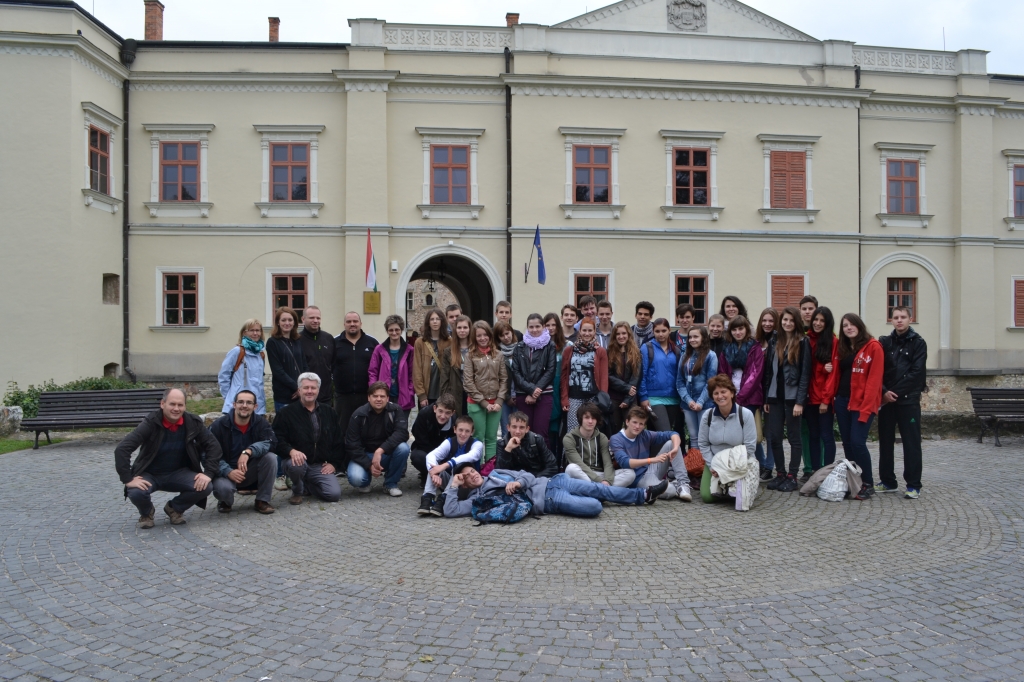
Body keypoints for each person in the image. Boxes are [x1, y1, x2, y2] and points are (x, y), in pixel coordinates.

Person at [115, 388, 222, 528]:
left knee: (205, 486)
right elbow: (122, 448)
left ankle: (174, 508)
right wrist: (127, 479)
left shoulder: (192, 422)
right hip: (150, 474)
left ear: (185, 406)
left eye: (180, 405)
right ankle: (147, 513)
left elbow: (214, 446)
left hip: (179, 473)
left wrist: (208, 473)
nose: (176, 409)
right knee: (135, 492)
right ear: (162, 404)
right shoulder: (151, 422)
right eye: (172, 404)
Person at [442, 461, 667, 519]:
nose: (472, 475)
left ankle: (643, 495)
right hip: (549, 500)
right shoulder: (478, 500)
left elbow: (527, 474)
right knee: (595, 506)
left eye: (472, 471)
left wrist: (519, 483)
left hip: (555, 481)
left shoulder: (496, 472)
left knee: (601, 490)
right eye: (467, 477)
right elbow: (451, 510)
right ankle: (596, 496)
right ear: (466, 485)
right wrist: (454, 485)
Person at [876, 306, 928, 499]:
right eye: (896, 317)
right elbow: (877, 370)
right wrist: (883, 392)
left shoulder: (918, 343)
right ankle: (888, 481)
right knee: (885, 443)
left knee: (911, 443)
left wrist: (893, 393)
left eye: (903, 317)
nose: (899, 320)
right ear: (891, 320)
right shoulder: (884, 342)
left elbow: (917, 374)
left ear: (910, 319)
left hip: (908, 401)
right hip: (887, 401)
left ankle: (914, 484)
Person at [835, 313, 885, 500]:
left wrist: (866, 409)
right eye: (845, 325)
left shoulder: (873, 347)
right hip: (843, 401)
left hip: (862, 404)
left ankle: (867, 482)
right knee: (848, 443)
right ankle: (854, 480)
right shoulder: (846, 348)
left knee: (858, 442)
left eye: (852, 324)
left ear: (859, 325)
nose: (848, 328)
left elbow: (874, 382)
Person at [273, 373, 344, 504]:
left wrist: (334, 464)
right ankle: (297, 490)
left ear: (318, 390)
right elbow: (276, 439)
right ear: (299, 390)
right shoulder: (286, 413)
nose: (309, 391)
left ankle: (307, 484)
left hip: (318, 465)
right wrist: (291, 451)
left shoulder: (329, 412)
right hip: (294, 462)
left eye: (313, 388)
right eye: (306, 388)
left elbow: (338, 440)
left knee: (333, 494)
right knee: (297, 466)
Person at [762, 307, 811, 492]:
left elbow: (805, 374)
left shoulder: (803, 342)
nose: (787, 323)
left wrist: (800, 401)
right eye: (785, 320)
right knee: (773, 437)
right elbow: (769, 372)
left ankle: (792, 476)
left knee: (794, 437)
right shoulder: (775, 340)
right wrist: (767, 397)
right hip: (774, 396)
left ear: (796, 322)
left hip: (793, 399)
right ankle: (780, 473)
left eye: (791, 320)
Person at [209, 390, 277, 515]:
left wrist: (248, 451)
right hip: (225, 474)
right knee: (223, 489)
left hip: (250, 471)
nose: (244, 405)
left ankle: (262, 500)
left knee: (271, 458)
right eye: (240, 402)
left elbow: (270, 443)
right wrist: (227, 471)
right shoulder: (218, 426)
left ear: (255, 406)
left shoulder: (261, 423)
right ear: (234, 404)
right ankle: (225, 501)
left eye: (249, 403)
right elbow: (208, 455)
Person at [697, 374, 759, 507]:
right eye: (716, 393)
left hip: (739, 462)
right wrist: (712, 465)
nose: (720, 396)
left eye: (723, 392)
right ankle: (724, 488)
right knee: (707, 497)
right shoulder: (707, 416)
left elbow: (750, 447)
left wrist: (728, 468)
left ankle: (737, 486)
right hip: (715, 461)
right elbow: (703, 443)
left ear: (732, 393)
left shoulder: (746, 414)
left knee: (739, 497)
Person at [345, 381, 411, 496]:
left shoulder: (395, 410)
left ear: (387, 398)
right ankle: (365, 481)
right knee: (357, 479)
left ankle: (390, 484)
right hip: (364, 454)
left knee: (403, 448)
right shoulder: (358, 415)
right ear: (369, 397)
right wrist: (369, 465)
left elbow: (402, 433)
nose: (379, 399)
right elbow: (352, 445)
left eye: (382, 396)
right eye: (375, 396)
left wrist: (380, 450)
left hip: (386, 454)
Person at [609, 406, 690, 500]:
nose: (637, 427)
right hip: (638, 479)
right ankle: (672, 485)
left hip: (651, 469)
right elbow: (625, 462)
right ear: (627, 422)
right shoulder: (616, 439)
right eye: (634, 422)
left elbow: (673, 434)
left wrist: (675, 448)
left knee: (671, 443)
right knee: (669, 491)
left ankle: (683, 483)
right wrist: (651, 460)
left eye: (641, 424)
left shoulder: (644, 434)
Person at [721, 315, 765, 474]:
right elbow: (723, 372)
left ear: (746, 329)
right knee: (734, 433)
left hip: (750, 397)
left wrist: (740, 397)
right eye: (734, 329)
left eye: (741, 329)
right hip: (731, 396)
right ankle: (737, 465)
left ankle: (758, 465)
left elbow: (756, 374)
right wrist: (729, 394)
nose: (738, 332)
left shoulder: (755, 347)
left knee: (750, 433)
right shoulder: (727, 348)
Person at [463, 320, 509, 470]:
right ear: (474, 338)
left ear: (490, 336)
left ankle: (489, 470)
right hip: (477, 403)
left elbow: (503, 379)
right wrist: (484, 403)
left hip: (495, 403)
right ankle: (475, 469)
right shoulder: (470, 356)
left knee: (491, 439)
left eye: (485, 335)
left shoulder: (499, 355)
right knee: (477, 438)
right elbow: (468, 383)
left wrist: (500, 400)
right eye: (479, 336)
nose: (482, 338)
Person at [417, 414, 482, 516]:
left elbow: (471, 456)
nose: (463, 434)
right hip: (452, 484)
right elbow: (431, 455)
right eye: (460, 430)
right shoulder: (450, 442)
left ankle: (444, 498)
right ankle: (428, 497)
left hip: (468, 486)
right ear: (455, 429)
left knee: (458, 466)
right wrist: (434, 473)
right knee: (433, 466)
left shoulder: (477, 444)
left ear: (472, 432)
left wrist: (446, 464)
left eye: (467, 431)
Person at [511, 313, 556, 447]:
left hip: (544, 393)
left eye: (537, 326)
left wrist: (536, 391)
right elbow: (516, 372)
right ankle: (525, 464)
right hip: (522, 394)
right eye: (531, 327)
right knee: (523, 432)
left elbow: (550, 370)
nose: (534, 330)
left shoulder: (550, 345)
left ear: (543, 327)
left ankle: (543, 465)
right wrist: (530, 390)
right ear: (527, 327)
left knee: (541, 433)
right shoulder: (519, 347)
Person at [564, 403, 632, 486]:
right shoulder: (569, 438)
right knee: (571, 468)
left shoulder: (602, 437)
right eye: (587, 417)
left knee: (630, 473)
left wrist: (607, 480)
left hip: (600, 473)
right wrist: (599, 481)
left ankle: (596, 491)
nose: (590, 421)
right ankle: (603, 490)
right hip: (581, 474)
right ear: (580, 418)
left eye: (593, 418)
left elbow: (607, 463)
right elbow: (578, 464)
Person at [333, 311, 378, 435]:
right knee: (342, 431)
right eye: (349, 322)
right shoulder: (335, 342)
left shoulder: (372, 342)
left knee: (366, 429)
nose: (352, 324)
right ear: (344, 324)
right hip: (343, 397)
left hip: (366, 395)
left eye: (355, 321)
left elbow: (380, 367)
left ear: (360, 323)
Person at [560, 317, 609, 433]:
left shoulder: (600, 351)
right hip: (574, 397)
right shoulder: (569, 350)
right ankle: (572, 451)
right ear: (580, 331)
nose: (587, 334)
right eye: (584, 330)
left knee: (591, 429)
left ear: (594, 332)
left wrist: (603, 399)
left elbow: (604, 377)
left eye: (590, 331)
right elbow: (564, 376)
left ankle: (591, 451)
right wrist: (565, 399)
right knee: (573, 430)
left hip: (593, 397)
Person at [806, 307, 839, 472]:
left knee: (826, 436)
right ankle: (815, 471)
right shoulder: (807, 339)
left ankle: (827, 471)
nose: (818, 323)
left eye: (822, 320)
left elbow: (832, 375)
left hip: (823, 398)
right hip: (809, 397)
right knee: (813, 435)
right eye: (816, 320)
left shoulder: (833, 342)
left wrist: (825, 400)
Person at [677, 325, 719, 452]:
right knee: (693, 437)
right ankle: (696, 468)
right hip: (688, 403)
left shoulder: (711, 356)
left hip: (705, 403)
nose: (692, 339)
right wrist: (689, 401)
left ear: (703, 338)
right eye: (690, 337)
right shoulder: (685, 356)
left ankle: (706, 468)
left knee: (704, 437)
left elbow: (711, 382)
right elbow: (679, 381)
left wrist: (700, 402)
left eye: (696, 336)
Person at [638, 318, 682, 433]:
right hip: (654, 398)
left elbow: (679, 375)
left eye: (664, 331)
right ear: (653, 332)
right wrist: (643, 396)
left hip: (673, 398)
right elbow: (642, 373)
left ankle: (654, 452)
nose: (661, 334)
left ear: (669, 331)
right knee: (666, 433)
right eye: (657, 331)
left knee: (657, 436)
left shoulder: (676, 350)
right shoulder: (647, 348)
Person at [368, 315, 415, 419]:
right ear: (387, 331)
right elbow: (373, 372)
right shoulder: (379, 350)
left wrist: (410, 392)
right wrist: (374, 391)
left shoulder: (409, 350)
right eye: (391, 330)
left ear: (401, 330)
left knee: (401, 428)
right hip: (383, 396)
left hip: (403, 397)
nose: (394, 333)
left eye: (397, 329)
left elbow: (413, 374)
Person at [217, 318, 267, 415]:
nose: (255, 333)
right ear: (244, 333)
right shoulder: (237, 351)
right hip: (237, 406)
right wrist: (229, 397)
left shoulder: (261, 354)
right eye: (251, 330)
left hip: (257, 406)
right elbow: (224, 375)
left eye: (258, 330)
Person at [409, 393, 457, 486]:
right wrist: (434, 459)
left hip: (444, 453)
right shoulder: (424, 414)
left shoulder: (454, 420)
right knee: (417, 457)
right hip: (425, 449)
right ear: (435, 408)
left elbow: (453, 442)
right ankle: (426, 475)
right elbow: (419, 437)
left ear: (453, 413)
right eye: (440, 411)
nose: (443, 416)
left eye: (447, 413)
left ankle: (443, 476)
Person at [266, 306, 307, 412]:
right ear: (278, 322)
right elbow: (278, 371)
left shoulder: (297, 341)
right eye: (283, 320)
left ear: (294, 322)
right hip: (284, 395)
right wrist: (296, 388)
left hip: (301, 394)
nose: (287, 323)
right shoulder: (272, 342)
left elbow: (304, 365)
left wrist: (304, 386)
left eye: (290, 320)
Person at [797, 295, 820, 482]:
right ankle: (808, 467)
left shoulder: (826, 334)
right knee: (804, 430)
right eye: (804, 308)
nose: (807, 312)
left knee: (818, 431)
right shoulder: (796, 333)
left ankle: (819, 466)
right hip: (799, 390)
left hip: (818, 390)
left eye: (810, 308)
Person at [754, 308, 779, 480]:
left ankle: (769, 467)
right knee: (754, 432)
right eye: (764, 320)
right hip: (755, 391)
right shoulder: (756, 342)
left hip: (771, 393)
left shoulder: (778, 342)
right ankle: (761, 462)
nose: (767, 324)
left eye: (771, 321)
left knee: (770, 433)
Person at [496, 411, 559, 477]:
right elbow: (499, 472)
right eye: (514, 427)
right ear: (508, 428)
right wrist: (508, 449)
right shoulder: (502, 443)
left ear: (527, 429)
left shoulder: (537, 440)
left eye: (522, 427)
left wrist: (531, 480)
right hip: (513, 482)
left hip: (536, 479)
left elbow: (552, 467)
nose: (517, 431)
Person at [543, 312, 570, 459]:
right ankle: (549, 459)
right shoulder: (539, 345)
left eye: (554, 325)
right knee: (548, 426)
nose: (551, 328)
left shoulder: (567, 346)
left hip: (562, 386)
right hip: (546, 387)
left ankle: (561, 460)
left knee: (562, 427)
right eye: (548, 325)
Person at [607, 321, 641, 433]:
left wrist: (628, 399)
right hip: (614, 397)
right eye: (618, 334)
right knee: (614, 430)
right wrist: (626, 388)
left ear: (629, 335)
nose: (621, 336)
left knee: (632, 430)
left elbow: (636, 377)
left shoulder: (636, 352)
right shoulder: (609, 352)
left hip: (630, 398)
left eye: (624, 333)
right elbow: (608, 375)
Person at [413, 307, 451, 410]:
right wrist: (421, 395)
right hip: (427, 392)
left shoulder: (449, 342)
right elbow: (417, 369)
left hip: (443, 391)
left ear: (442, 321)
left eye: (437, 319)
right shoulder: (420, 342)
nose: (435, 322)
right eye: (432, 319)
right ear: (428, 322)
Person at [299, 306, 335, 404]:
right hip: (305, 394)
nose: (315, 321)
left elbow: (333, 364)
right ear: (303, 319)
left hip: (325, 394)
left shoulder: (328, 338)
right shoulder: (297, 340)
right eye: (311, 318)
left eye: (318, 318)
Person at [439, 314, 472, 415]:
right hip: (455, 392)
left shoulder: (475, 350)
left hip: (473, 393)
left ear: (470, 329)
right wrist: (444, 398)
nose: (462, 330)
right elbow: (444, 377)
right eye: (459, 327)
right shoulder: (448, 351)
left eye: (465, 327)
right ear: (455, 329)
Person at [494, 321, 519, 437]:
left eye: (507, 333)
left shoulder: (521, 348)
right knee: (506, 431)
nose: (506, 337)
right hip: (504, 398)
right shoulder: (496, 353)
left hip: (519, 395)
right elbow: (496, 378)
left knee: (518, 430)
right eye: (502, 335)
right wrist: (507, 397)